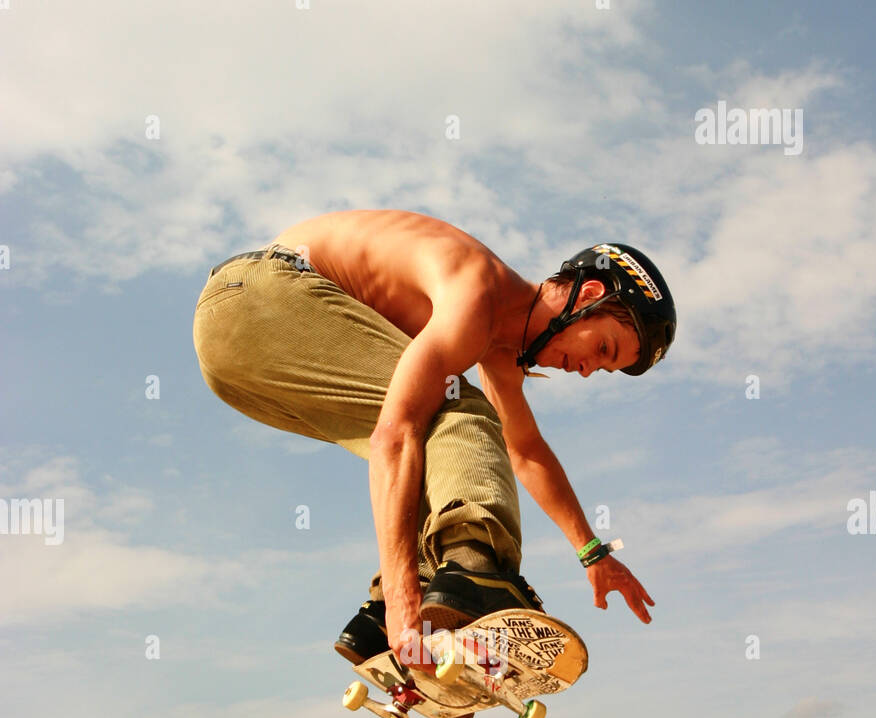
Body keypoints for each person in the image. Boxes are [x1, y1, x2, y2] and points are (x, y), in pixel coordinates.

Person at [193, 215, 672, 670]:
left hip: (237, 358)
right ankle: (469, 573)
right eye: (603, 348)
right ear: (586, 295)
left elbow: (526, 451)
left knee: (436, 435)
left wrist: (592, 553)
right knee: (456, 412)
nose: (587, 370)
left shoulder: (499, 352)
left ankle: (390, 616)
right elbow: (393, 436)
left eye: (602, 369)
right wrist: (407, 603)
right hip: (260, 299)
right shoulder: (478, 290)